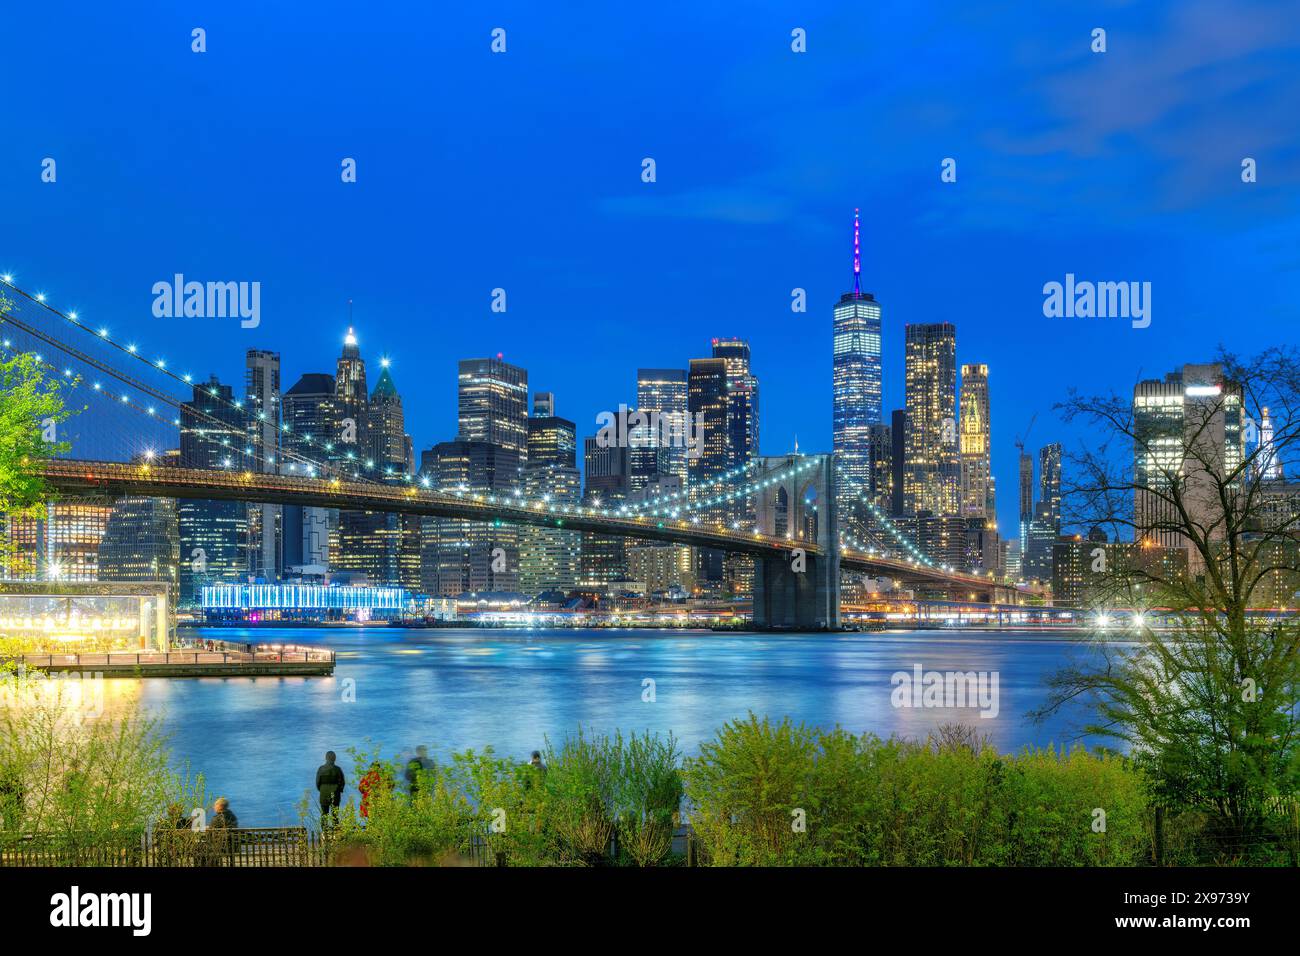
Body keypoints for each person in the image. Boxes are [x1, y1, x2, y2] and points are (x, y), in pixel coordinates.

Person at [316, 751, 346, 824]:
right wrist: (339, 790)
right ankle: (336, 832)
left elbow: (317, 783)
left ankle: (324, 832)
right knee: (335, 815)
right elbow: (342, 782)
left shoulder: (321, 769)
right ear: (334, 759)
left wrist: (322, 790)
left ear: (326, 758)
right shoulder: (338, 769)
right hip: (335, 794)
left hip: (324, 794)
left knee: (324, 815)